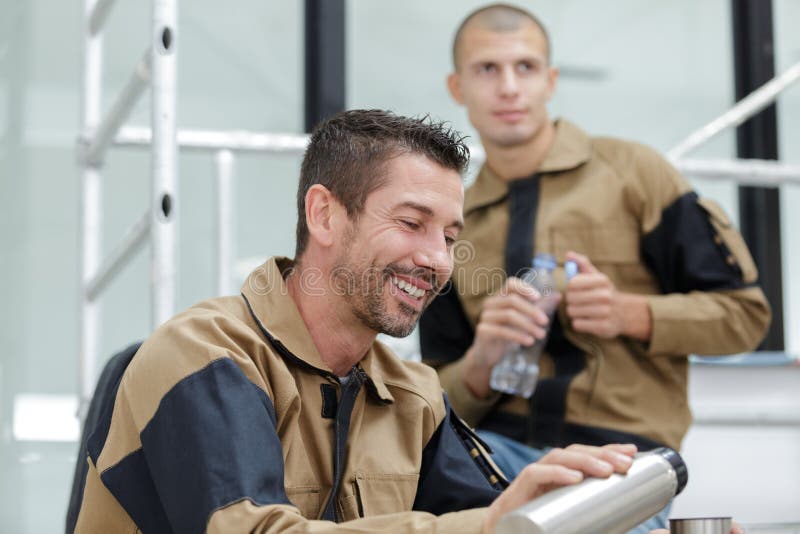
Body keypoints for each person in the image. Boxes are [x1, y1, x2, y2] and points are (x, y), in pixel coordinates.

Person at [74, 109, 649, 533]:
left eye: (450, 237)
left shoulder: (414, 396)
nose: (437, 260)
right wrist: (492, 524)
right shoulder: (204, 354)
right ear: (324, 214)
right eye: (411, 222)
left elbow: (508, 515)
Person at [419, 4, 771, 532]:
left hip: (620, 464)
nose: (509, 87)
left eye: (526, 67)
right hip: (494, 458)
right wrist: (481, 361)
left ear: (551, 80)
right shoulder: (451, 219)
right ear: (457, 86)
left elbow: (746, 317)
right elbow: (433, 400)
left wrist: (631, 314)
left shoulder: (636, 174)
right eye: (487, 69)